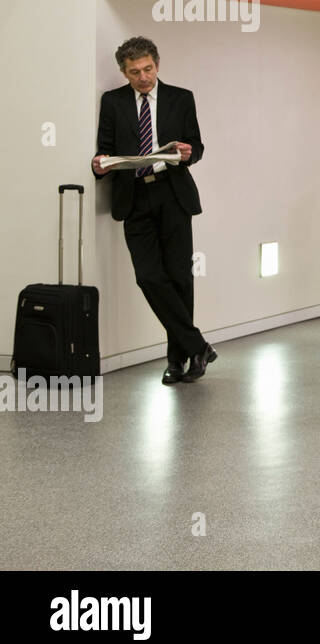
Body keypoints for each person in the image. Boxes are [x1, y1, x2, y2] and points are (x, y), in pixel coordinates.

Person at [91, 37, 217, 385]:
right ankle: (197, 346)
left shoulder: (181, 98)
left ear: (157, 65)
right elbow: (106, 149)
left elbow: (198, 145)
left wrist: (192, 152)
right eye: (135, 72)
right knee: (148, 276)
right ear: (124, 72)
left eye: (147, 69)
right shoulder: (113, 102)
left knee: (179, 278)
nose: (143, 77)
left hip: (173, 194)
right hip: (135, 197)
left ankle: (178, 360)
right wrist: (99, 165)